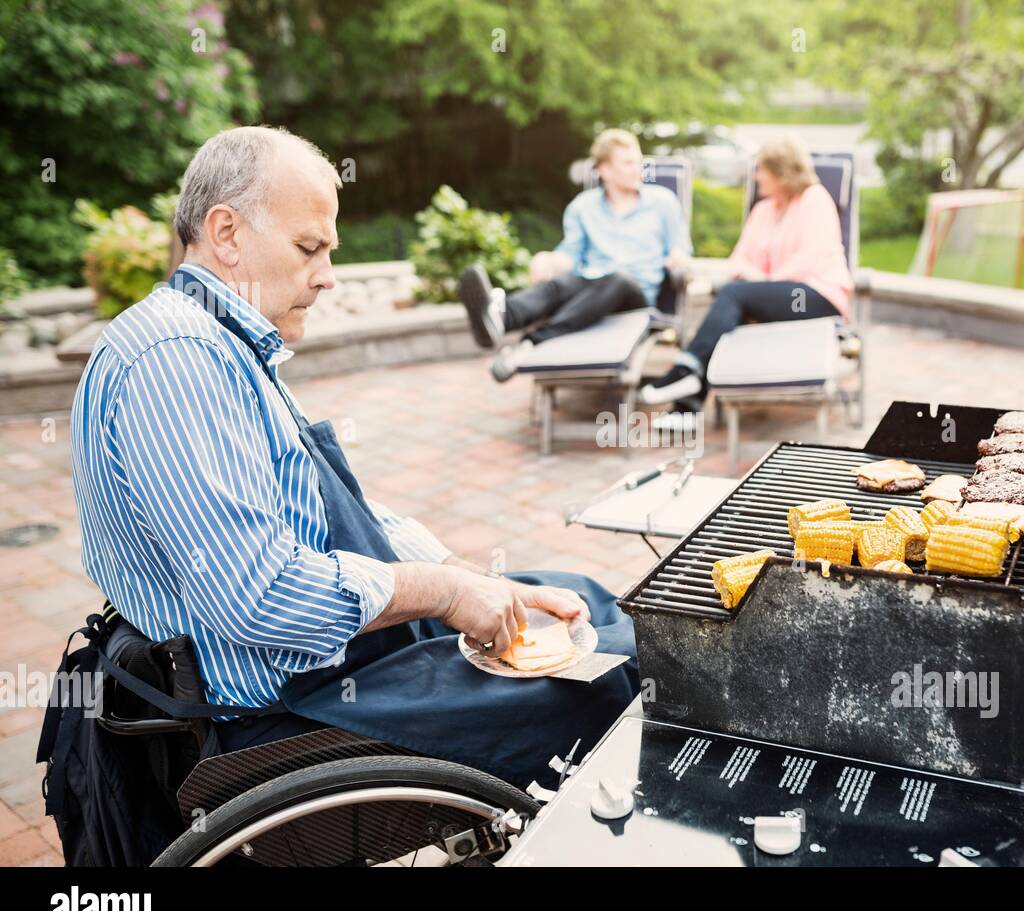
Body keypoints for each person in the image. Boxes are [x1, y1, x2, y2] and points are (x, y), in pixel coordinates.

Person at [67, 126, 639, 790]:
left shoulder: (214, 338)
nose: (328, 277)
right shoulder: (179, 360)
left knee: (593, 608)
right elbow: (259, 596)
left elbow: (325, 511)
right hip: (281, 706)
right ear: (225, 233)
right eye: (309, 248)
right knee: (609, 679)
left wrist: (466, 577)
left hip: (324, 657)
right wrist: (448, 593)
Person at [640, 138, 853, 419]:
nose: (756, 176)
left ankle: (685, 371)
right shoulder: (763, 210)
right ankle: (686, 408)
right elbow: (739, 259)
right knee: (731, 309)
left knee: (734, 295)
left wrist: (764, 280)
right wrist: (758, 282)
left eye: (762, 169)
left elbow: (810, 258)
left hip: (813, 298)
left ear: (782, 171)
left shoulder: (815, 199)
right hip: (776, 298)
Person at [458, 128, 691, 382]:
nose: (638, 169)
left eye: (638, 161)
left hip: (635, 295)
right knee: (561, 284)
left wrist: (679, 259)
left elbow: (680, 248)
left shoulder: (663, 202)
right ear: (604, 170)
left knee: (616, 279)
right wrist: (547, 260)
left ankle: (533, 341)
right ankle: (501, 317)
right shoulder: (582, 206)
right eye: (628, 163)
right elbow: (570, 255)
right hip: (589, 289)